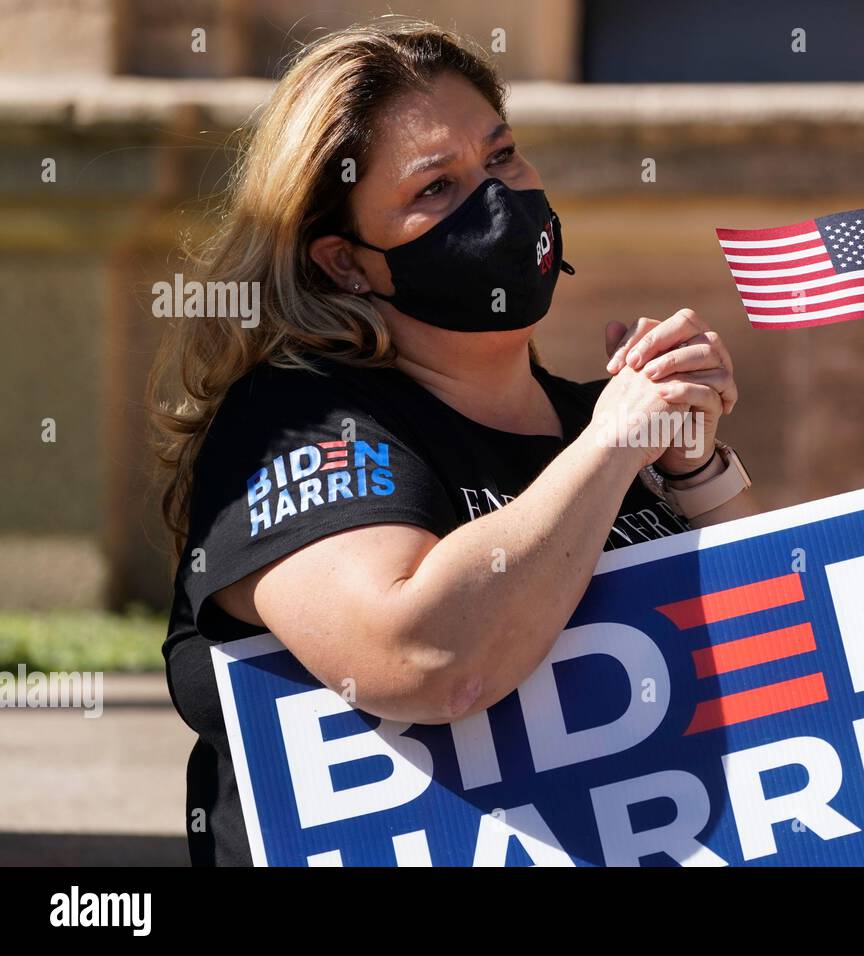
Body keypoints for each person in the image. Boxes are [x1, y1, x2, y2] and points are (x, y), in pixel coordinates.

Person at [148, 19, 755, 866]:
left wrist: (693, 467)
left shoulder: (594, 421)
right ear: (348, 263)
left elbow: (767, 656)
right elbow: (427, 660)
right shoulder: (292, 423)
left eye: (502, 156)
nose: (496, 199)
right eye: (436, 188)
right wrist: (614, 446)